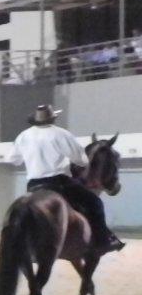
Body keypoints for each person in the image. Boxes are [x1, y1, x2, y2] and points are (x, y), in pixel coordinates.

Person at [9, 104, 124, 254]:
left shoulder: (23, 136)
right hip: (59, 183)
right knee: (95, 203)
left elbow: (13, 160)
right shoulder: (61, 134)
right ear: (52, 119)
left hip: (33, 185)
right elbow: (81, 160)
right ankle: (103, 241)